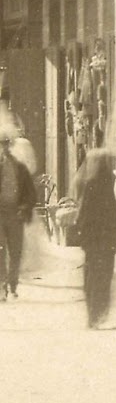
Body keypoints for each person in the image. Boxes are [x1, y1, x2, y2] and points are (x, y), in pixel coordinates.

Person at [73, 148, 116, 328]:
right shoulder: (98, 183)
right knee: (101, 274)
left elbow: (83, 214)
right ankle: (97, 313)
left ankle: (95, 313)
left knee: (93, 274)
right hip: (101, 237)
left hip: (96, 237)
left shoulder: (96, 182)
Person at [0, 124, 37, 301]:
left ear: (10, 146)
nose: (3, 148)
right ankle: (2, 286)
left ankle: (13, 285)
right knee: (0, 252)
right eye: (1, 144)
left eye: (6, 144)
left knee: (15, 252)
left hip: (15, 214)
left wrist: (24, 207)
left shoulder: (19, 168)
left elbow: (30, 193)